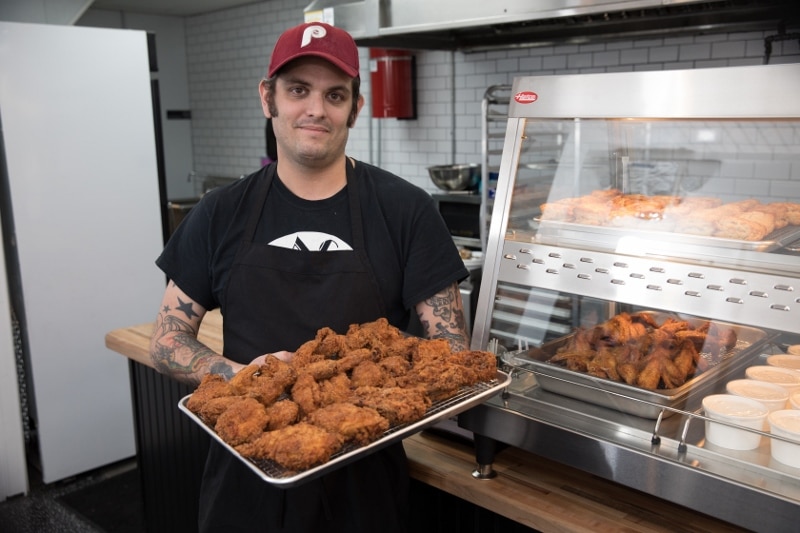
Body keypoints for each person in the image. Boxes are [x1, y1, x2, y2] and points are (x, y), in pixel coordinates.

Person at [148, 21, 471, 533]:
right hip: (245, 476)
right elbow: (167, 340)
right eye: (298, 90)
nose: (316, 109)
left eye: (334, 94)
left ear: (355, 108)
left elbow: (450, 353)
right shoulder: (219, 213)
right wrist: (242, 377)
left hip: (366, 481)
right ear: (268, 98)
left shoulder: (408, 210)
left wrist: (375, 399)